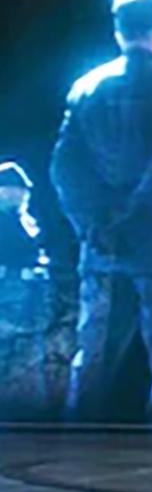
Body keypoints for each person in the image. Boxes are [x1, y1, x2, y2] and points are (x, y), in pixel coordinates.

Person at [51, 0, 152, 422]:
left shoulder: (86, 88)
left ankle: (76, 438)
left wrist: (91, 224)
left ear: (119, 31)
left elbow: (64, 166)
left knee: (94, 346)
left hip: (101, 237)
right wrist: (135, 220)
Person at [0, 161, 51, 410]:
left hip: (29, 296)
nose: (20, 194)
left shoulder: (27, 221)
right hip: (6, 295)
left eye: (22, 189)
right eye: (13, 188)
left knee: (25, 356)